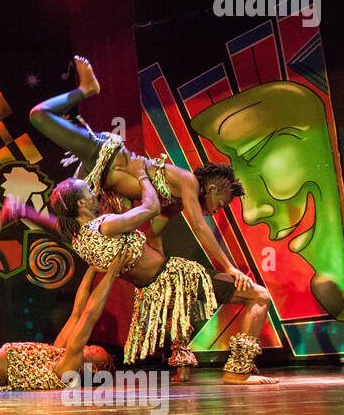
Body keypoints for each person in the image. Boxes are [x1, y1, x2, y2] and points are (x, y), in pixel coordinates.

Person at [28, 55, 256, 292]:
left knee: (72, 229)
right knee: (39, 116)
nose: (217, 210)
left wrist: (159, 254)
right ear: (210, 189)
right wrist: (229, 268)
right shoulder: (188, 181)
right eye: (220, 204)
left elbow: (156, 229)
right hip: (105, 157)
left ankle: (19, 210)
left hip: (101, 180)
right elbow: (199, 226)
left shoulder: (176, 199)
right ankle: (87, 89)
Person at [37, 163, 277, 385]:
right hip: (172, 277)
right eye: (88, 192)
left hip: (152, 292)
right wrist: (142, 175)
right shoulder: (106, 224)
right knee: (260, 296)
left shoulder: (80, 241)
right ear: (80, 204)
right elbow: (150, 208)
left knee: (183, 306)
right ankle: (238, 371)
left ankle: (183, 369)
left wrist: (21, 211)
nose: (94, 193)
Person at [0, 252, 127, 391]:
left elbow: (89, 316)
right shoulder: (57, 353)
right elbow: (77, 313)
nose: (90, 345)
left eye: (95, 351)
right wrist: (92, 270)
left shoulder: (67, 371)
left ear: (94, 369)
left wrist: (112, 273)